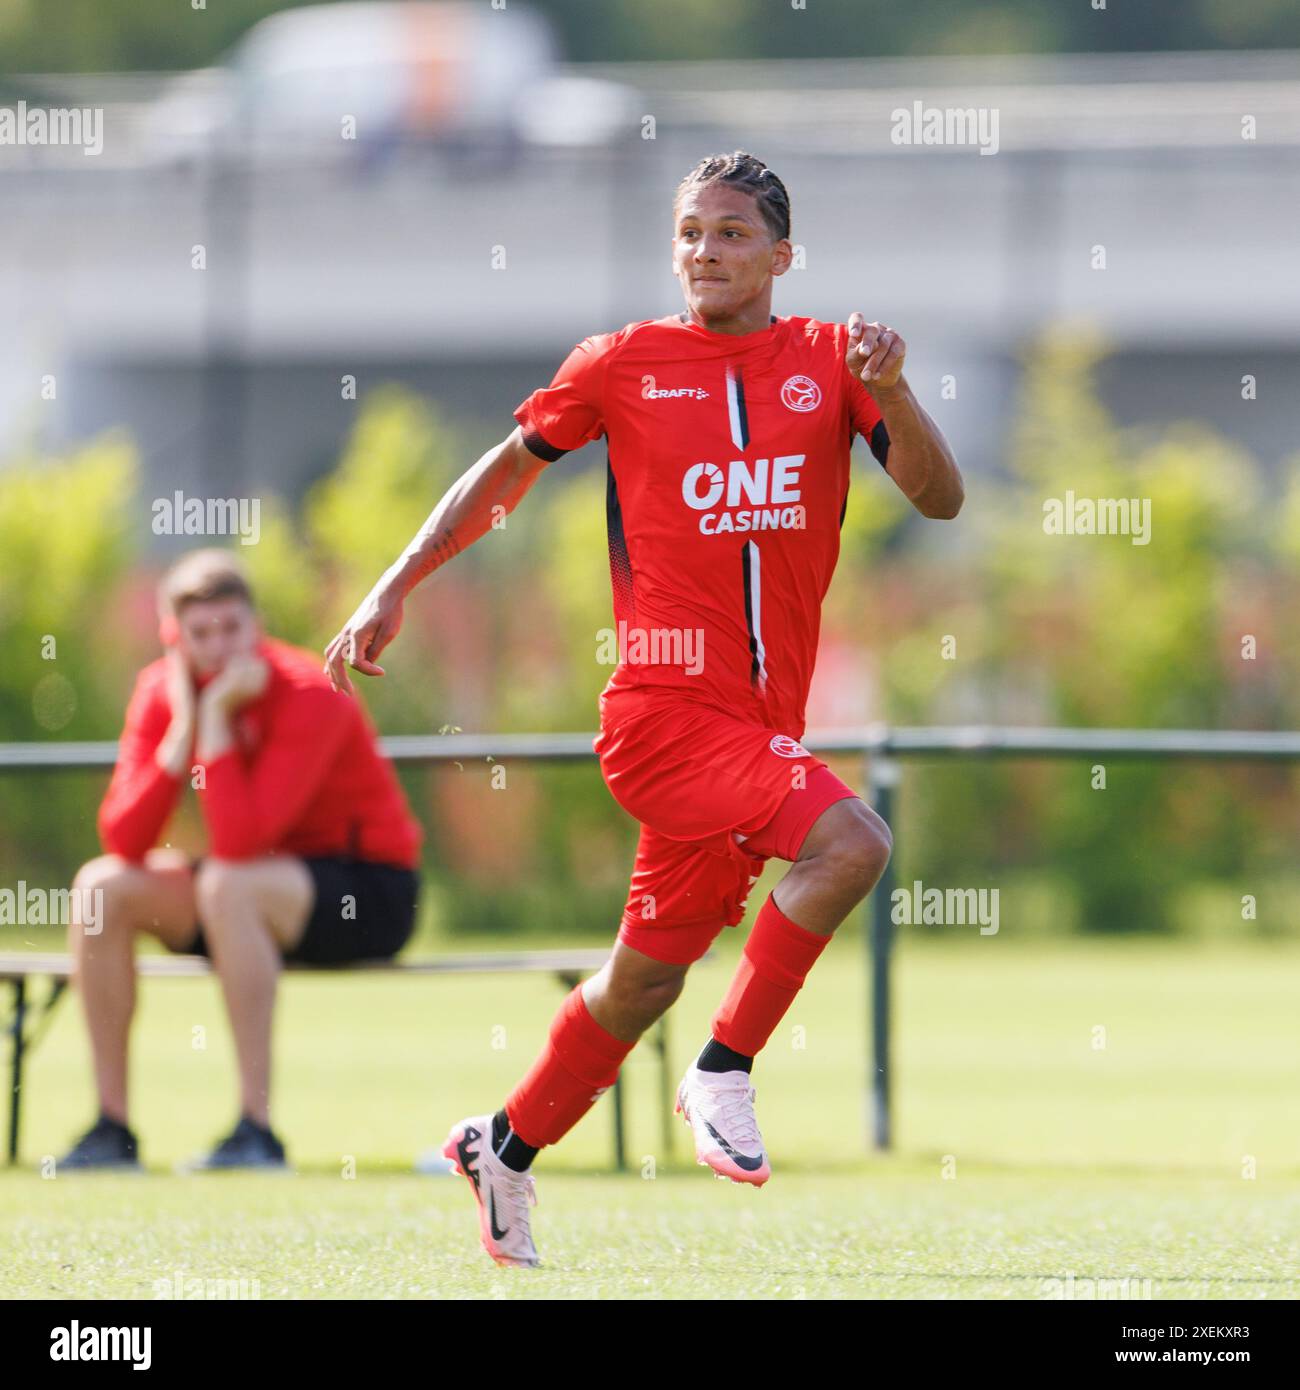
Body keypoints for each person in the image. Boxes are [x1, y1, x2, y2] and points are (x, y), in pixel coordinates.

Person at [324, 150, 963, 1265]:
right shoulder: (622, 364)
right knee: (853, 841)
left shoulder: (832, 360)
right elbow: (502, 474)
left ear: (781, 253)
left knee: (640, 980)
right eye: (688, 234)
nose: (704, 253)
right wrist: (395, 581)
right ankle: (724, 1071)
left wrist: (897, 389)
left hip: (758, 731)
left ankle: (502, 1147)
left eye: (729, 233)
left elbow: (940, 498)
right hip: (662, 717)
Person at [60, 548, 422, 1171]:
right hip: (247, 891)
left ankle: (256, 1132)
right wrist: (183, 732)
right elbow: (123, 838)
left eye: (233, 628)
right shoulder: (159, 692)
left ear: (256, 625)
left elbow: (241, 843)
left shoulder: (313, 688)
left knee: (230, 884)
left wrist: (217, 718)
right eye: (200, 633)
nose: (220, 646)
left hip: (368, 891)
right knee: (100, 888)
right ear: (173, 637)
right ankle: (110, 1131)